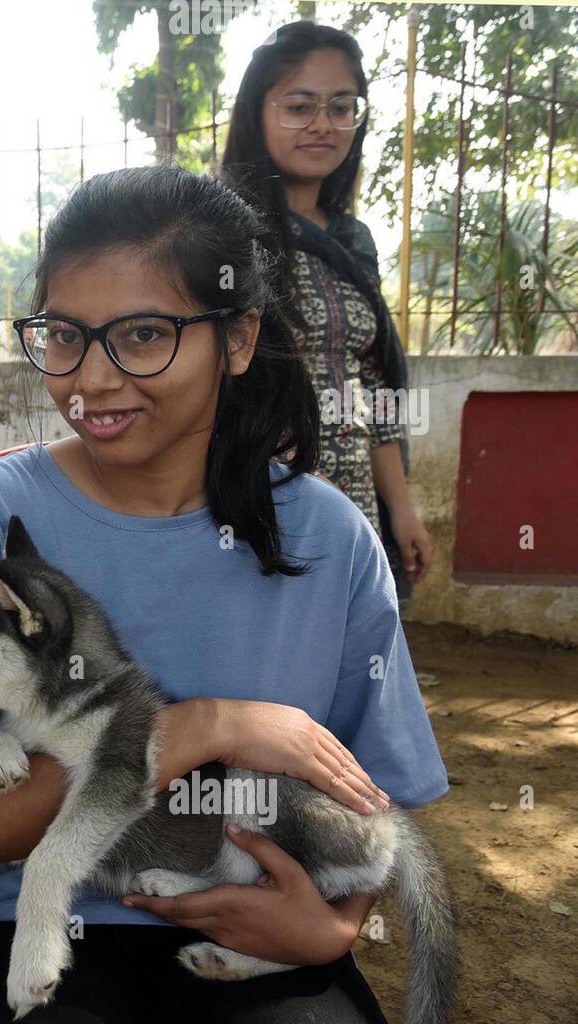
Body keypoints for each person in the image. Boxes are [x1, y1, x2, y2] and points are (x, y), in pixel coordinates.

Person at [0, 166, 449, 1024]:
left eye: (144, 335)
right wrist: (198, 729)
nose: (92, 379)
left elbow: (373, 799)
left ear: (237, 338)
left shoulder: (331, 540)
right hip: (8, 922)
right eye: (63, 337)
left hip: (248, 913)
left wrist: (328, 925)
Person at [221, 20, 433, 606]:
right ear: (256, 112)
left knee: (351, 666)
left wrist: (402, 511)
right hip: (258, 496)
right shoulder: (221, 231)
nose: (322, 124)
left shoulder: (353, 242)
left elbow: (375, 384)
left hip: (354, 501)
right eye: (299, 105)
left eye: (342, 106)